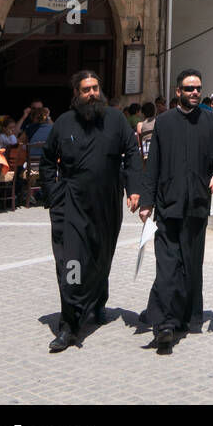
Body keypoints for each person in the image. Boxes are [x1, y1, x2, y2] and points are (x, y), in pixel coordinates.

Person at [39, 70, 141, 352]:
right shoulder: (64, 123)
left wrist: (134, 189)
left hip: (107, 200)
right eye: (86, 89)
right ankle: (69, 325)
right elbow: (47, 161)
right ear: (77, 94)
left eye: (95, 87)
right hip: (71, 202)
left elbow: (132, 152)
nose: (92, 93)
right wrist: (54, 194)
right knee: (70, 262)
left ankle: (97, 304)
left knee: (101, 254)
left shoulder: (116, 119)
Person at [138, 68, 213, 354]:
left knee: (191, 264)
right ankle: (164, 325)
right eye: (189, 88)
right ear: (178, 91)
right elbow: (152, 164)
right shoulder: (163, 123)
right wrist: (147, 202)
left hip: (197, 206)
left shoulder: (212, 120)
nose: (194, 93)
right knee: (167, 266)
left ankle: (189, 317)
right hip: (168, 206)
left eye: (198, 88)